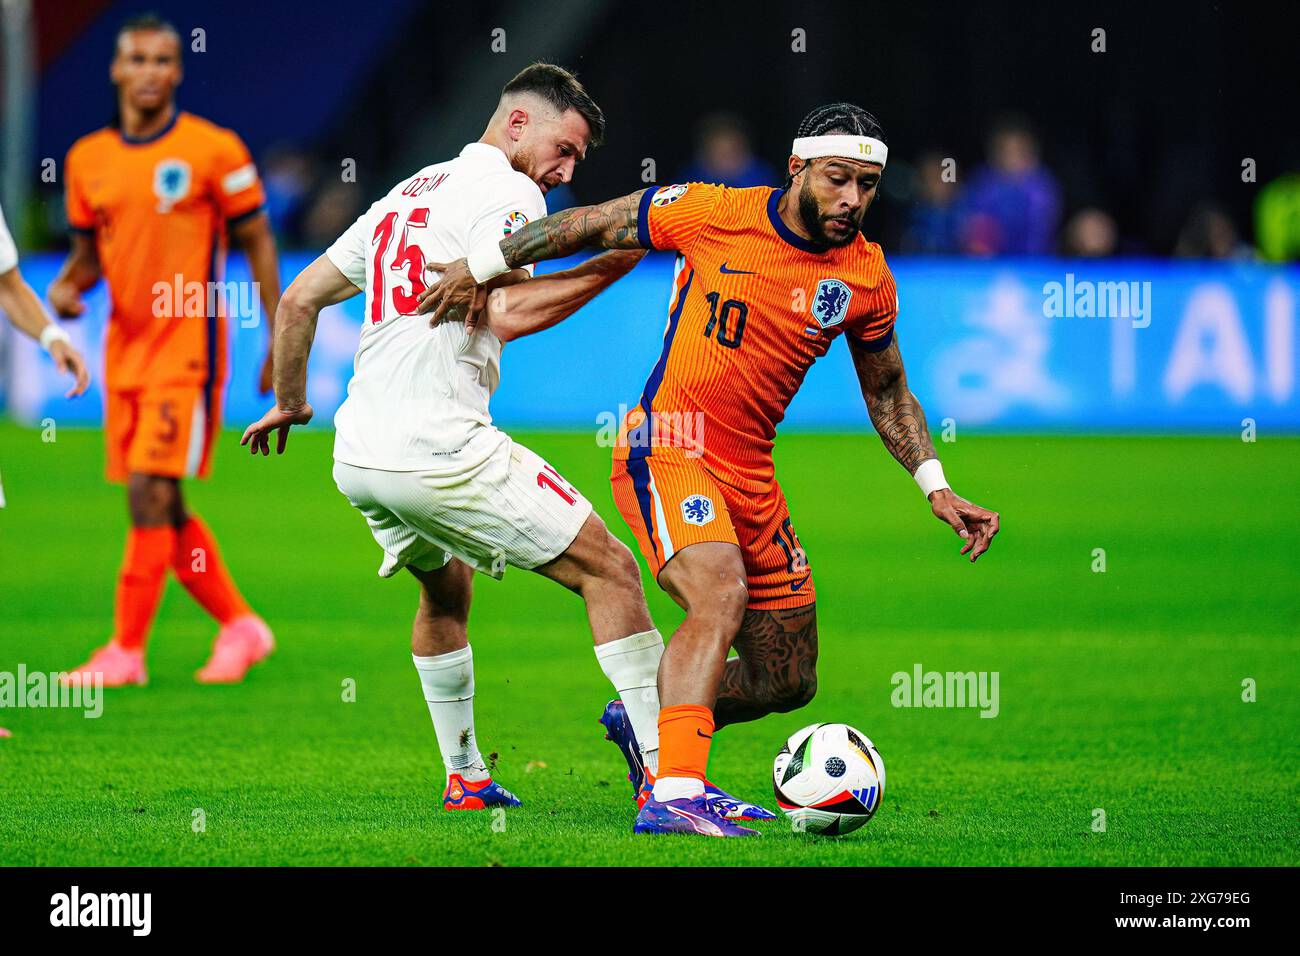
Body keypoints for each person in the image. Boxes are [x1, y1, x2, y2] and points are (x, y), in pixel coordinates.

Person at [420, 102, 1002, 837]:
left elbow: (887, 388)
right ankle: (677, 791)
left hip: (751, 470)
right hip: (666, 445)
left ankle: (648, 728)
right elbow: (593, 222)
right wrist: (479, 267)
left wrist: (935, 484)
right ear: (797, 169)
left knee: (785, 679)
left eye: (867, 184)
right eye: (837, 178)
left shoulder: (866, 277)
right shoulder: (708, 211)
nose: (852, 199)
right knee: (719, 593)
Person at [241, 64, 768, 820]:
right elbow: (507, 313)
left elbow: (299, 298)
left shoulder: (411, 190)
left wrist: (291, 403)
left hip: (357, 454)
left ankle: (465, 775)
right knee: (612, 571)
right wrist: (610, 265)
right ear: (518, 124)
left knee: (444, 586)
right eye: (565, 148)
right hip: (439, 448)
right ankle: (670, 782)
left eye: (577, 161)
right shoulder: (510, 193)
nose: (565, 170)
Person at [51, 14, 282, 687]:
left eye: (162, 61)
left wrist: (279, 333)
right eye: (137, 60)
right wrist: (65, 290)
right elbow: (86, 258)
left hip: (189, 349)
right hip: (124, 352)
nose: (150, 72)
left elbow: (259, 240)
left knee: (151, 493)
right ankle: (241, 626)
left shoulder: (213, 150)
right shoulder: (87, 159)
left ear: (178, 71)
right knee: (163, 504)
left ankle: (124, 651)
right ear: (117, 70)